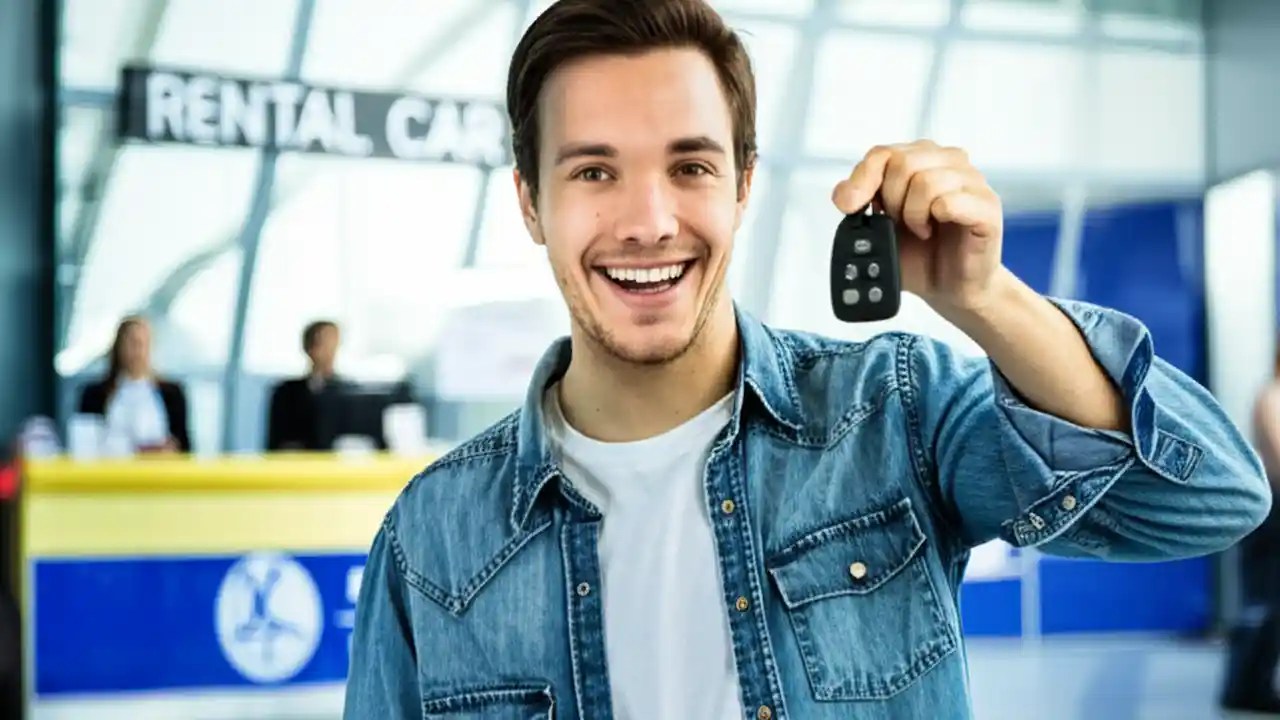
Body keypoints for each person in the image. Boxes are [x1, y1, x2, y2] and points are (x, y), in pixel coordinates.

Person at [344, 2, 1272, 718]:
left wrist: (986, 297)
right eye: (594, 171)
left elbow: (1214, 496)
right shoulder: (433, 540)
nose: (648, 221)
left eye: (690, 167)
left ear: (744, 185)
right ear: (530, 201)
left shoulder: (889, 417)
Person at [1221, 349, 1280, 714]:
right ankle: (1244, 688)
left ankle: (1254, 684)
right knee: (1263, 606)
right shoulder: (1272, 396)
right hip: (1273, 517)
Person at [78, 316, 190, 453]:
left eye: (142, 343)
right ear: (118, 347)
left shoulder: (172, 393)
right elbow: (85, 445)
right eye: (132, 343)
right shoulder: (94, 394)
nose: (138, 351)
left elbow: (185, 446)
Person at [265, 320, 345, 451]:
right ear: (308, 347)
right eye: (323, 344)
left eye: (333, 343)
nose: (329, 351)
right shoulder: (286, 392)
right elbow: (276, 442)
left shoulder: (348, 392)